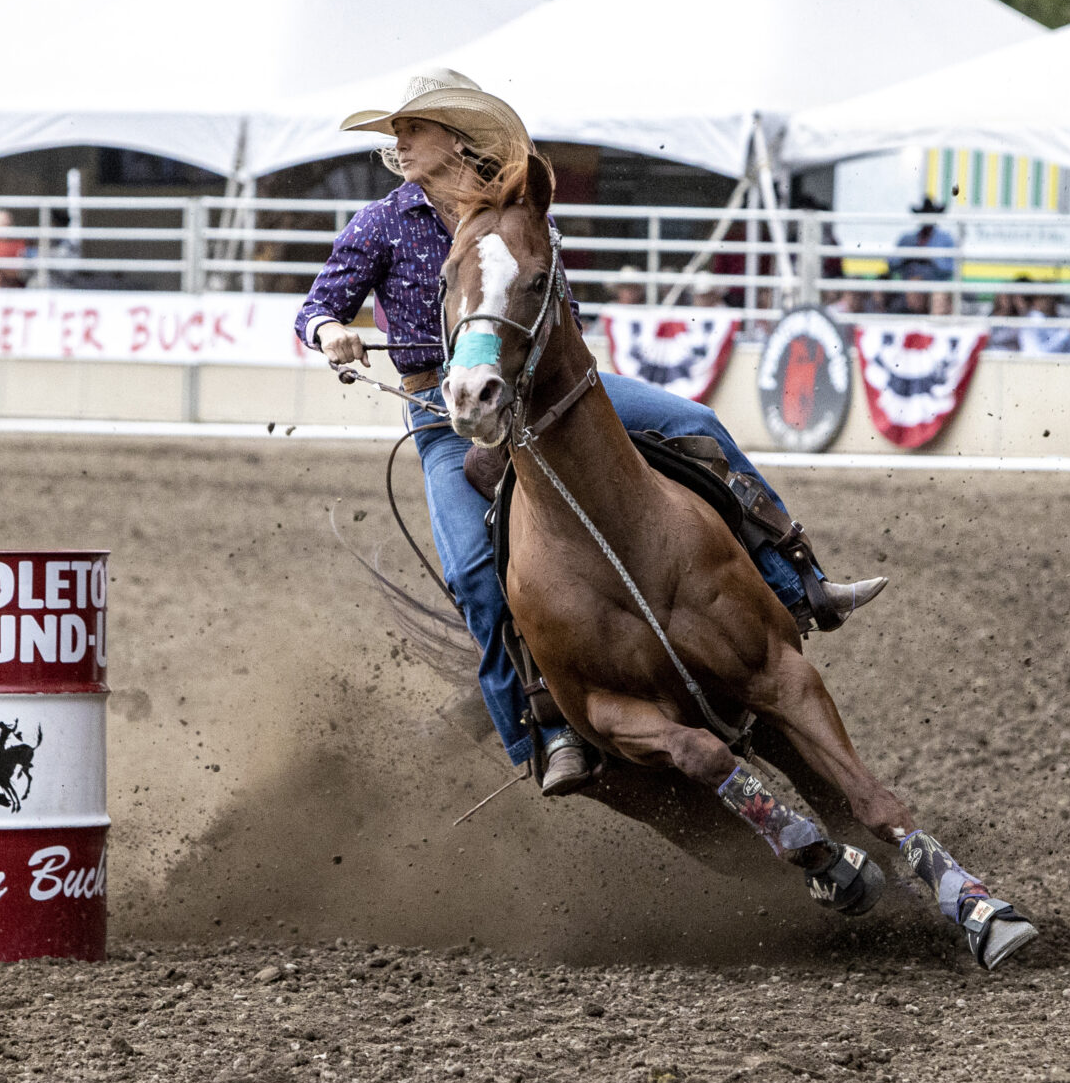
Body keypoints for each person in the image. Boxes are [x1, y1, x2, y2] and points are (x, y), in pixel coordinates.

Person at [295, 72, 884, 796]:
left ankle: (799, 583)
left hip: (556, 394)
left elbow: (555, 304)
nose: (399, 141)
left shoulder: (520, 209)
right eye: (397, 131)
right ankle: (540, 731)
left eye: (412, 127)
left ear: (455, 134)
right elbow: (320, 304)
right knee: (476, 572)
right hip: (449, 420)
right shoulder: (384, 221)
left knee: (695, 425)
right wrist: (331, 334)